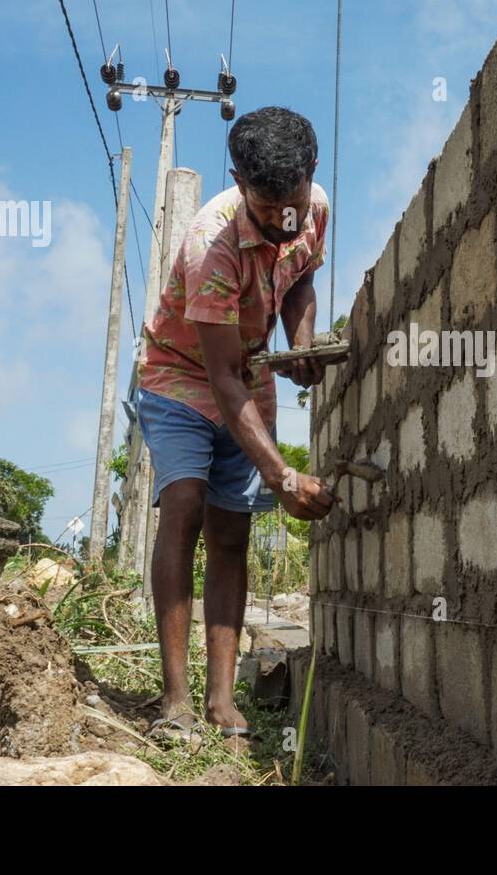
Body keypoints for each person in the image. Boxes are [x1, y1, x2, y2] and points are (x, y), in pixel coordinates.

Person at [136, 106, 338, 745]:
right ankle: (175, 701)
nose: (284, 221)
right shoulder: (211, 244)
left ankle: (221, 704)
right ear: (238, 181)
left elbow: (298, 278)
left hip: (248, 374)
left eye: (293, 203)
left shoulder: (315, 208)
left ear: (312, 171)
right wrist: (281, 475)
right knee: (186, 506)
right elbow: (219, 379)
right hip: (180, 376)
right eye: (267, 206)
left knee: (230, 534)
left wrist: (300, 341)